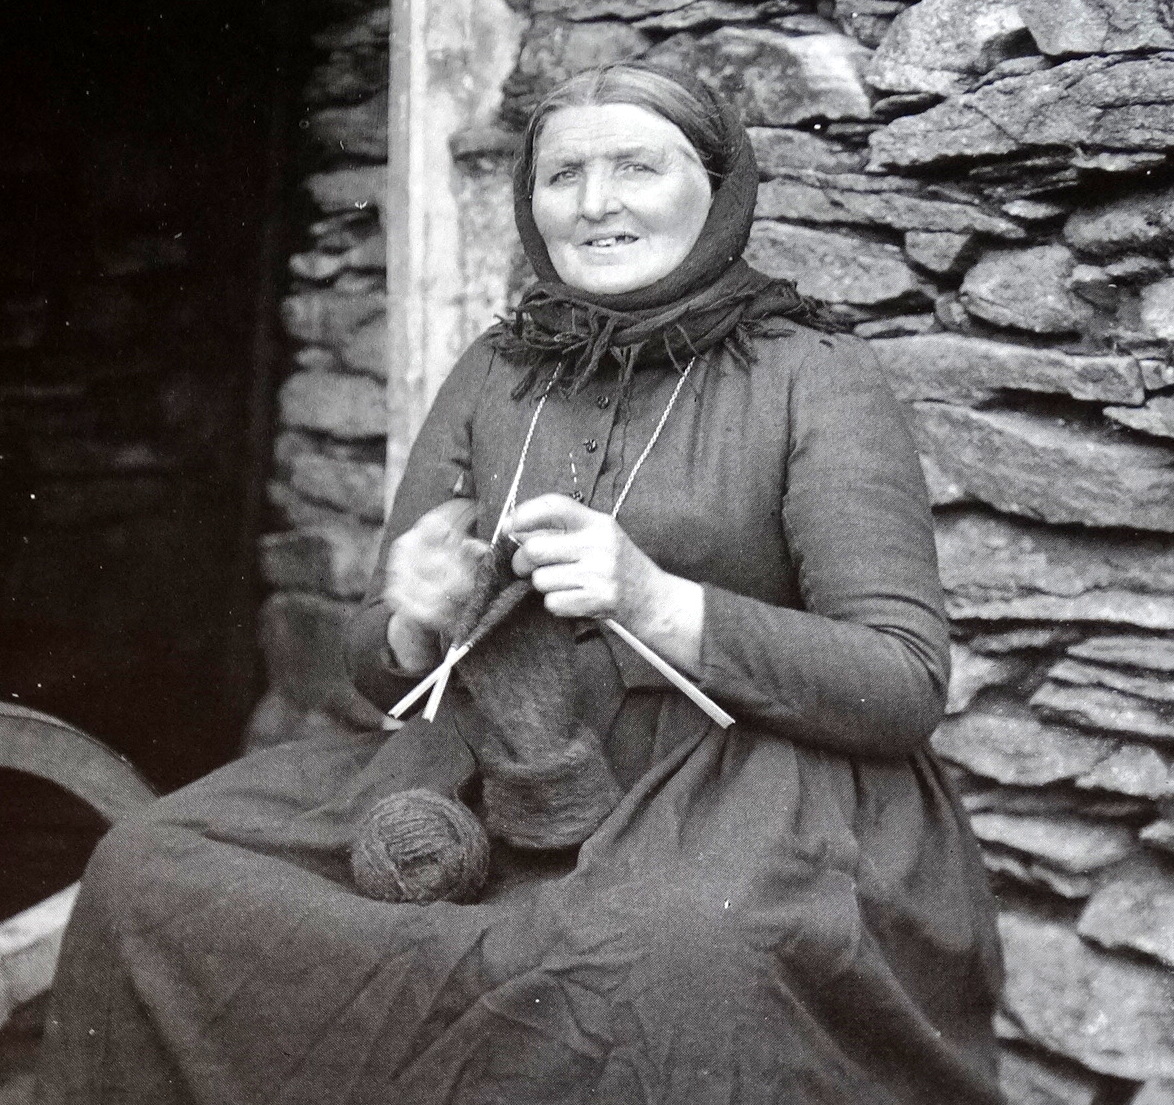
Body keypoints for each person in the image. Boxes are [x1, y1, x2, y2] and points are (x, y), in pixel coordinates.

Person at [38, 63, 1004, 1105]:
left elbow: (903, 680)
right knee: (152, 866)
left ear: (717, 186)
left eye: (638, 166)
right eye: (562, 175)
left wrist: (653, 599)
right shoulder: (498, 369)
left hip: (746, 791)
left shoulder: (812, 375)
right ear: (528, 201)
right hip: (486, 765)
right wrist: (412, 619)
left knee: (661, 972)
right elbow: (379, 669)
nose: (595, 204)